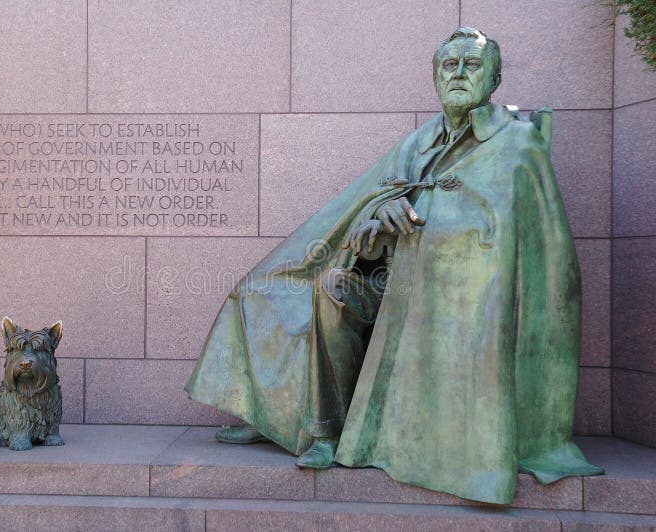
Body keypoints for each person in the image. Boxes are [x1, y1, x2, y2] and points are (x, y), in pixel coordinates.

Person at [185, 27, 603, 504]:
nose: (460, 74)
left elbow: (523, 247)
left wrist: (423, 223)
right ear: (435, 77)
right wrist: (376, 217)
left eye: (472, 64)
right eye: (450, 66)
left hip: (460, 302)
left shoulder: (518, 143)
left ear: (495, 77)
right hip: (393, 288)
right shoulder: (419, 140)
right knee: (317, 286)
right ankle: (320, 428)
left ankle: (361, 434)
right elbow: (370, 204)